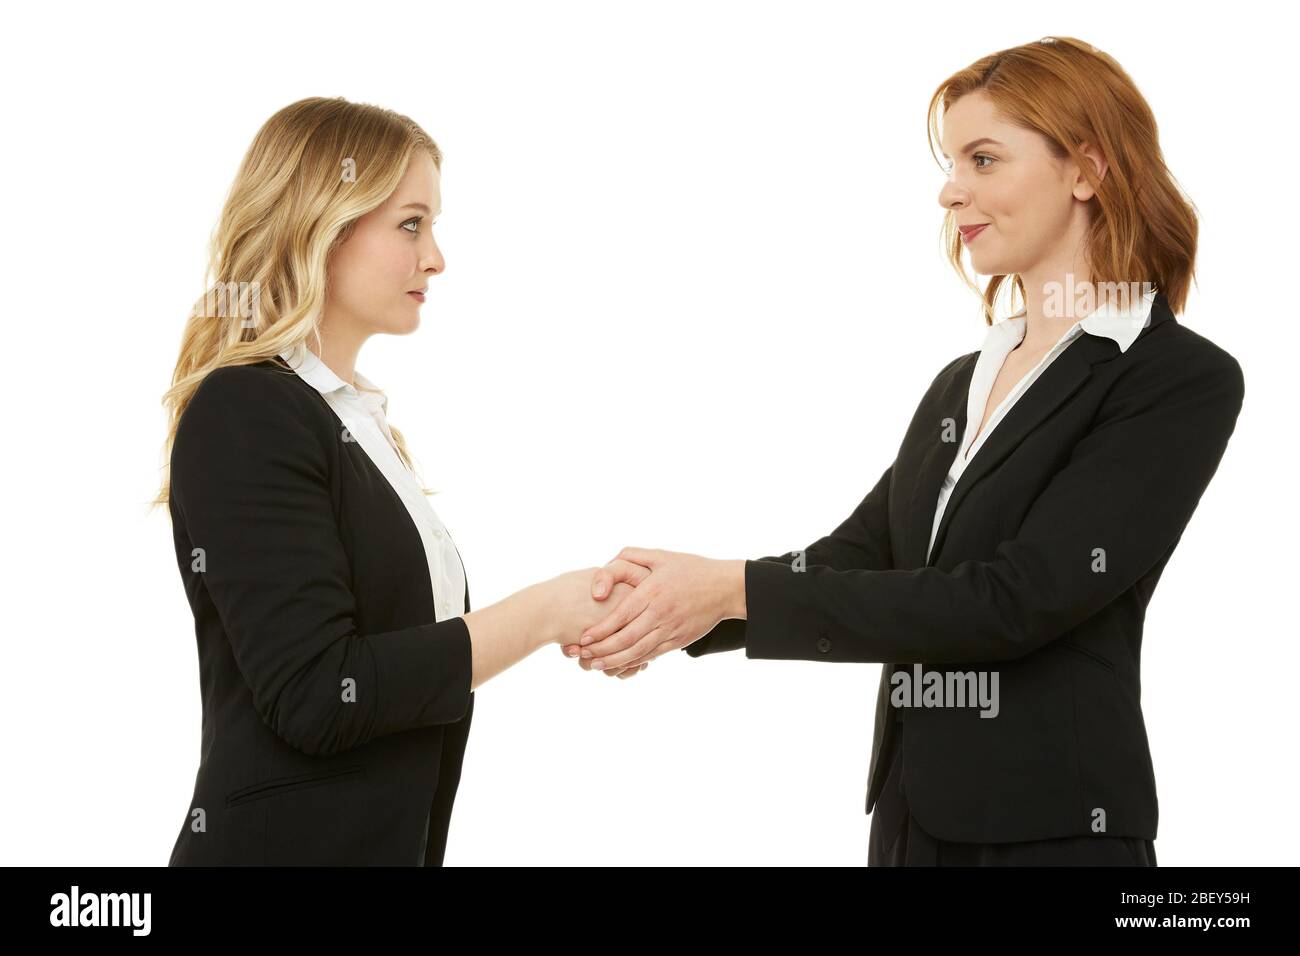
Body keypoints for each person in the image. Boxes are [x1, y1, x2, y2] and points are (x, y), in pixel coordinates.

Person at [564, 36, 1245, 866]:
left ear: (1087, 171)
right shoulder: (967, 376)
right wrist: (680, 610)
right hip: (910, 821)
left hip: (1053, 833)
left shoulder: (1176, 378)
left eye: (983, 159)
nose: (951, 190)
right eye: (951, 163)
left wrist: (727, 591)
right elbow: (867, 554)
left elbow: (1015, 601)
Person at [155, 97, 644, 866]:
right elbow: (319, 693)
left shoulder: (355, 426)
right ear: (323, 223)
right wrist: (547, 612)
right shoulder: (246, 408)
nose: (436, 258)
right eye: (411, 224)